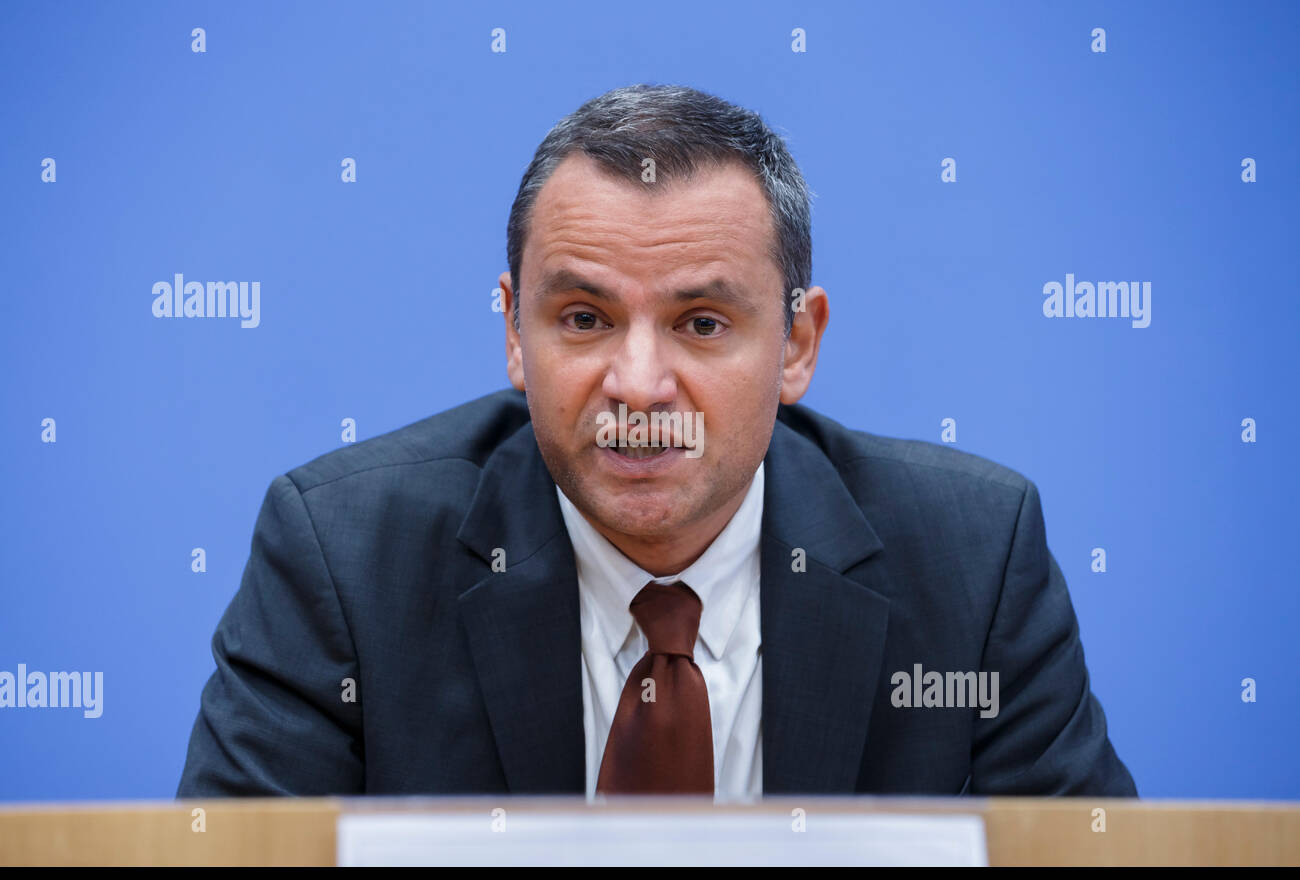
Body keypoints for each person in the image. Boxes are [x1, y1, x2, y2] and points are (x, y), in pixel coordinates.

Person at [177, 84, 1136, 799]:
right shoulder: (343, 558)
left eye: (703, 323)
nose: (638, 385)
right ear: (514, 335)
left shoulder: (972, 558)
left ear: (798, 343)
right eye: (585, 318)